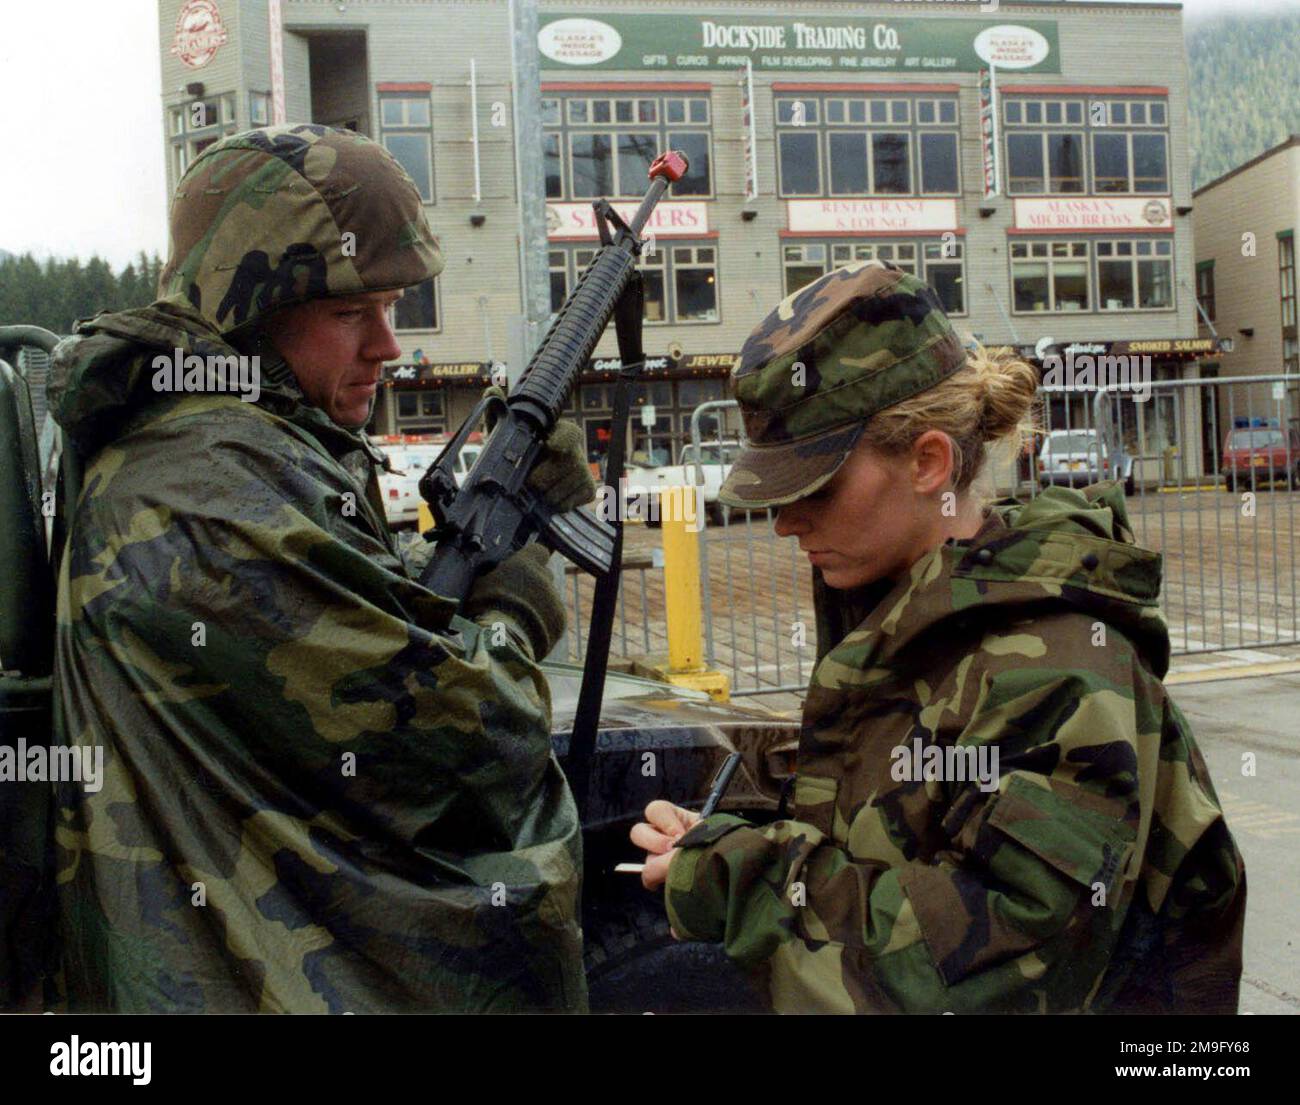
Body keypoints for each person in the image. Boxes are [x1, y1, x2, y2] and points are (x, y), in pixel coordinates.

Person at [47, 124, 593, 1013]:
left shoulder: (243, 449)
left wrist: (491, 526)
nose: (387, 345)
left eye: (391, 307)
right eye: (350, 314)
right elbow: (470, 735)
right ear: (249, 314)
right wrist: (518, 595)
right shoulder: (207, 490)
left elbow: (344, 615)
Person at [631, 261, 1246, 1014]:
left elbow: (982, 974)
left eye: (815, 484)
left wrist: (740, 876)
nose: (785, 521)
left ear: (929, 462)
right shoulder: (900, 617)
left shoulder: (1059, 670)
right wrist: (727, 838)